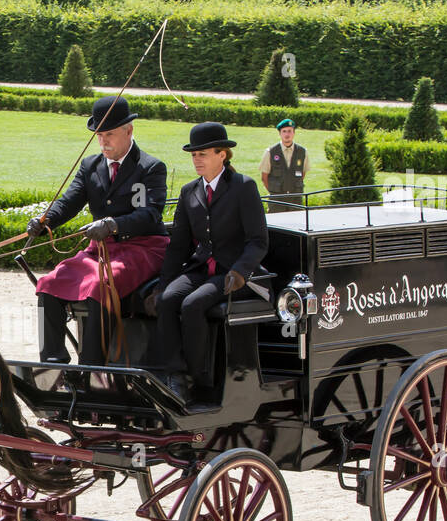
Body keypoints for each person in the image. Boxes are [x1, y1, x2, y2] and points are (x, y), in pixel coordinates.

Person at [27, 95, 168, 365]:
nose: (103, 141)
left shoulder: (149, 168)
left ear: (129, 131)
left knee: (99, 286)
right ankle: (53, 365)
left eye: (110, 134)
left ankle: (91, 367)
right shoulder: (90, 165)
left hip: (143, 248)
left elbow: (150, 214)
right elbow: (69, 202)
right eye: (99, 135)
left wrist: (113, 225)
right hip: (100, 251)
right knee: (48, 285)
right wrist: (45, 222)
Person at [155, 122, 268, 397]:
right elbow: (179, 245)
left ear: (222, 155)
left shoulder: (243, 187)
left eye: (203, 154)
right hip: (201, 267)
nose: (197, 160)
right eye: (194, 155)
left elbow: (258, 241)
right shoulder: (188, 191)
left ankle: (197, 379)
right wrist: (164, 283)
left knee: (193, 304)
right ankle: (174, 373)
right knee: (168, 299)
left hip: (232, 272)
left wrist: (241, 271)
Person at [259, 118, 311, 213]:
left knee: (296, 224)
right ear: (280, 133)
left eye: (290, 131)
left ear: (294, 133)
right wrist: (274, 191)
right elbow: (264, 177)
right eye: (284, 131)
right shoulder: (270, 152)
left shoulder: (303, 152)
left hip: (295, 200)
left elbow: (302, 174)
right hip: (277, 200)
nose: (287, 134)